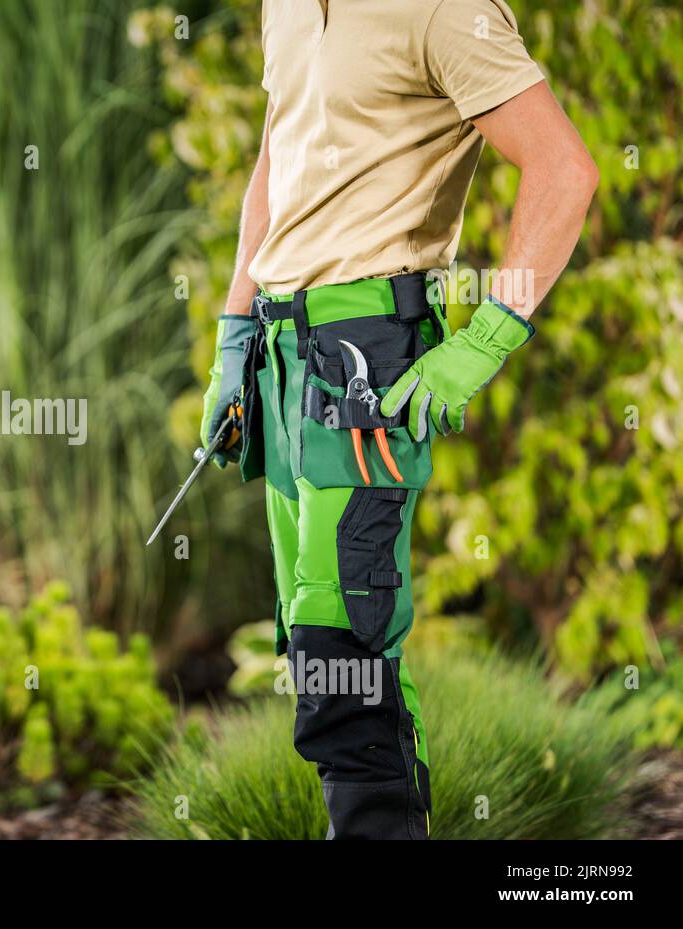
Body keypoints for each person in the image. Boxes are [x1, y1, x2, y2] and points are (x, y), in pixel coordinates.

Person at [201, 0, 598, 839]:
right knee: (334, 648)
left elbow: (565, 169)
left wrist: (487, 339)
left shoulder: (444, 10)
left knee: (339, 650)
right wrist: (234, 335)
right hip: (282, 355)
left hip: (366, 361)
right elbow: (279, 156)